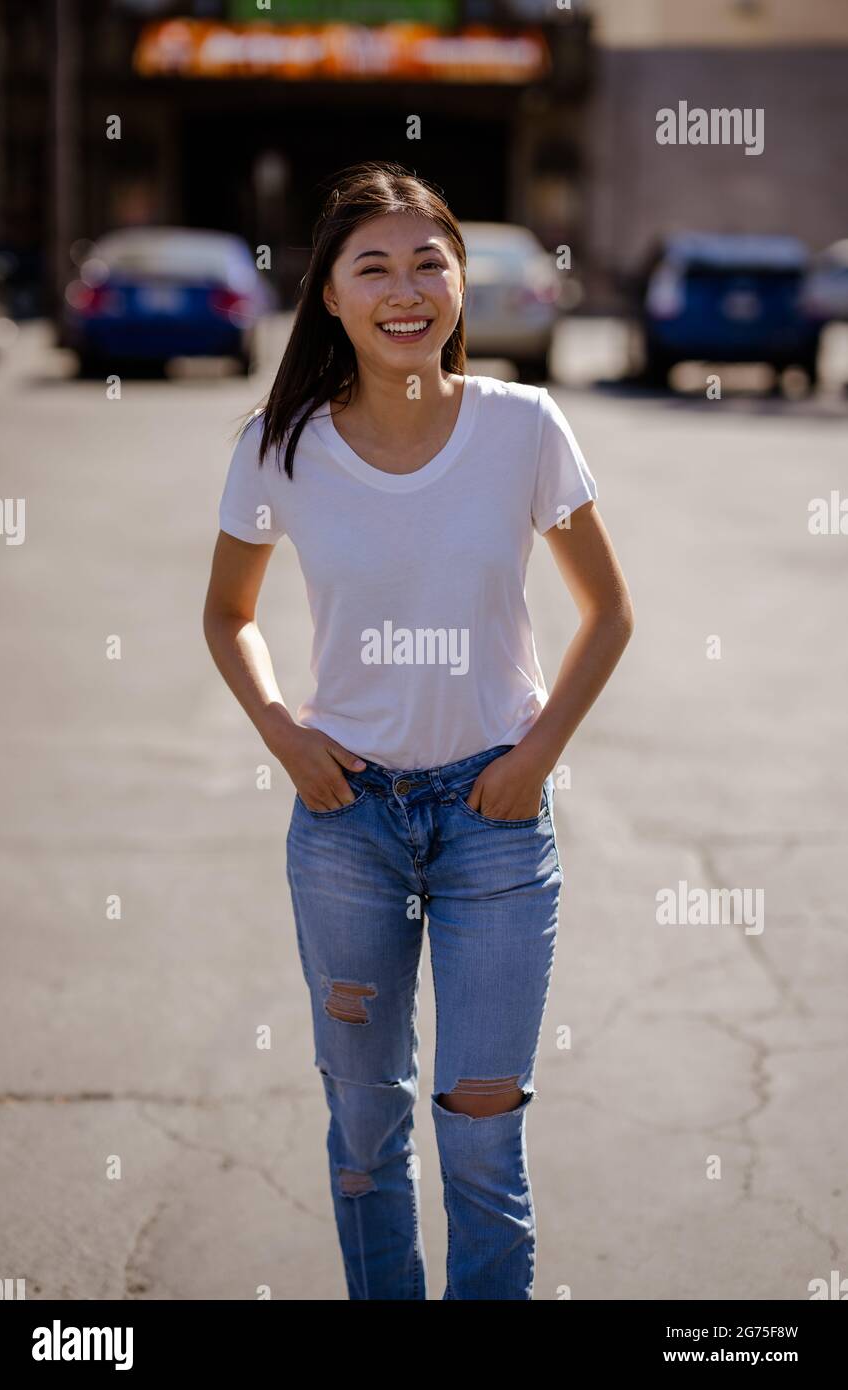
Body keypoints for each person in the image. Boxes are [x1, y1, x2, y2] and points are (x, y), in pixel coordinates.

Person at [203, 160, 634, 1300]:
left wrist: (534, 757)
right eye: (373, 266)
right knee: (363, 1138)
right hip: (345, 824)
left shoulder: (523, 427)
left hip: (494, 816)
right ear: (331, 296)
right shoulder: (277, 443)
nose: (406, 289)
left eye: (427, 262)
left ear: (457, 285)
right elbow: (227, 613)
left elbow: (609, 612)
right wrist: (281, 731)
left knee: (484, 1140)